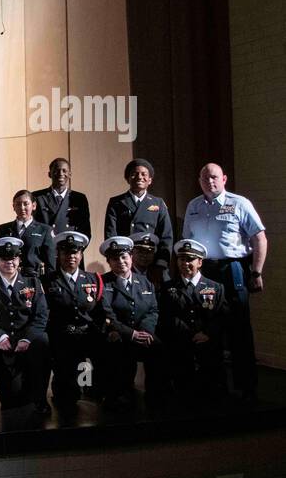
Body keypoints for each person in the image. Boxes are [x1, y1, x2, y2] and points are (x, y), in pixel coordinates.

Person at [181, 163, 266, 399]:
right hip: (205, 270)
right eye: (205, 178)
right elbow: (188, 241)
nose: (210, 181)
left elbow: (259, 238)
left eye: (215, 177)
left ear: (224, 179)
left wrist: (256, 272)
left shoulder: (240, 203)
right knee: (208, 328)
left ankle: (246, 386)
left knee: (239, 327)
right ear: (199, 181)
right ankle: (214, 385)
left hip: (233, 269)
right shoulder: (194, 206)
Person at [0, 237, 50, 414]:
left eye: (13, 258)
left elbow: (41, 316)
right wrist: (0, 335)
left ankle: (41, 399)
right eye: (4, 258)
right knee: (11, 399)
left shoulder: (32, 283)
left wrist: (28, 338)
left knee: (42, 341)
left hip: (26, 338)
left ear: (19, 260)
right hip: (2, 340)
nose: (9, 262)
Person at [96, 236, 163, 408]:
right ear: (109, 262)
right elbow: (107, 315)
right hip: (119, 334)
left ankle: (155, 394)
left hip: (142, 332)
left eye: (124, 256)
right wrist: (131, 334)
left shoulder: (145, 283)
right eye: (115, 258)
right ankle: (117, 394)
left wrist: (145, 331)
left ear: (131, 257)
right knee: (115, 345)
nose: (121, 261)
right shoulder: (102, 283)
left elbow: (153, 310)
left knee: (158, 347)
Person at [160, 239, 228, 398]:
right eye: (181, 259)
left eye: (190, 259)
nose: (185, 263)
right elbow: (166, 316)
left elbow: (222, 316)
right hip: (181, 348)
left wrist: (207, 333)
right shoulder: (168, 288)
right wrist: (189, 335)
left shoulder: (215, 287)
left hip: (208, 348)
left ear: (200, 262)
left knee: (211, 394)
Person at [42, 231, 101, 407]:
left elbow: (99, 312)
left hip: (87, 335)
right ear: (58, 255)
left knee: (90, 388)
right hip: (60, 336)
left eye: (75, 252)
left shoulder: (92, 279)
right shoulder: (46, 281)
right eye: (66, 252)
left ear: (81, 254)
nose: (71, 257)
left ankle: (91, 388)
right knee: (66, 395)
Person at [103, 159, 175, 281]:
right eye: (134, 173)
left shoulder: (158, 203)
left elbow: (166, 237)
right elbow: (111, 234)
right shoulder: (116, 202)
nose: (139, 177)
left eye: (144, 174)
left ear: (150, 180)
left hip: (152, 263)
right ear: (127, 178)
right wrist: (118, 260)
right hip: (126, 262)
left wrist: (161, 264)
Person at [0, 190, 55, 277]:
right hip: (9, 278)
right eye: (18, 204)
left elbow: (50, 262)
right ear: (13, 207)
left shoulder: (44, 230)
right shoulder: (3, 229)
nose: (22, 208)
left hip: (34, 279)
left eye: (26, 204)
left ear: (34, 206)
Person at [33, 158, 91, 237]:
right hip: (45, 246)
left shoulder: (79, 198)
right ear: (49, 174)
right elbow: (33, 226)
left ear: (70, 174)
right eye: (57, 170)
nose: (61, 173)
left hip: (69, 246)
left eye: (64, 171)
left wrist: (79, 248)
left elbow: (85, 228)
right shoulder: (37, 197)